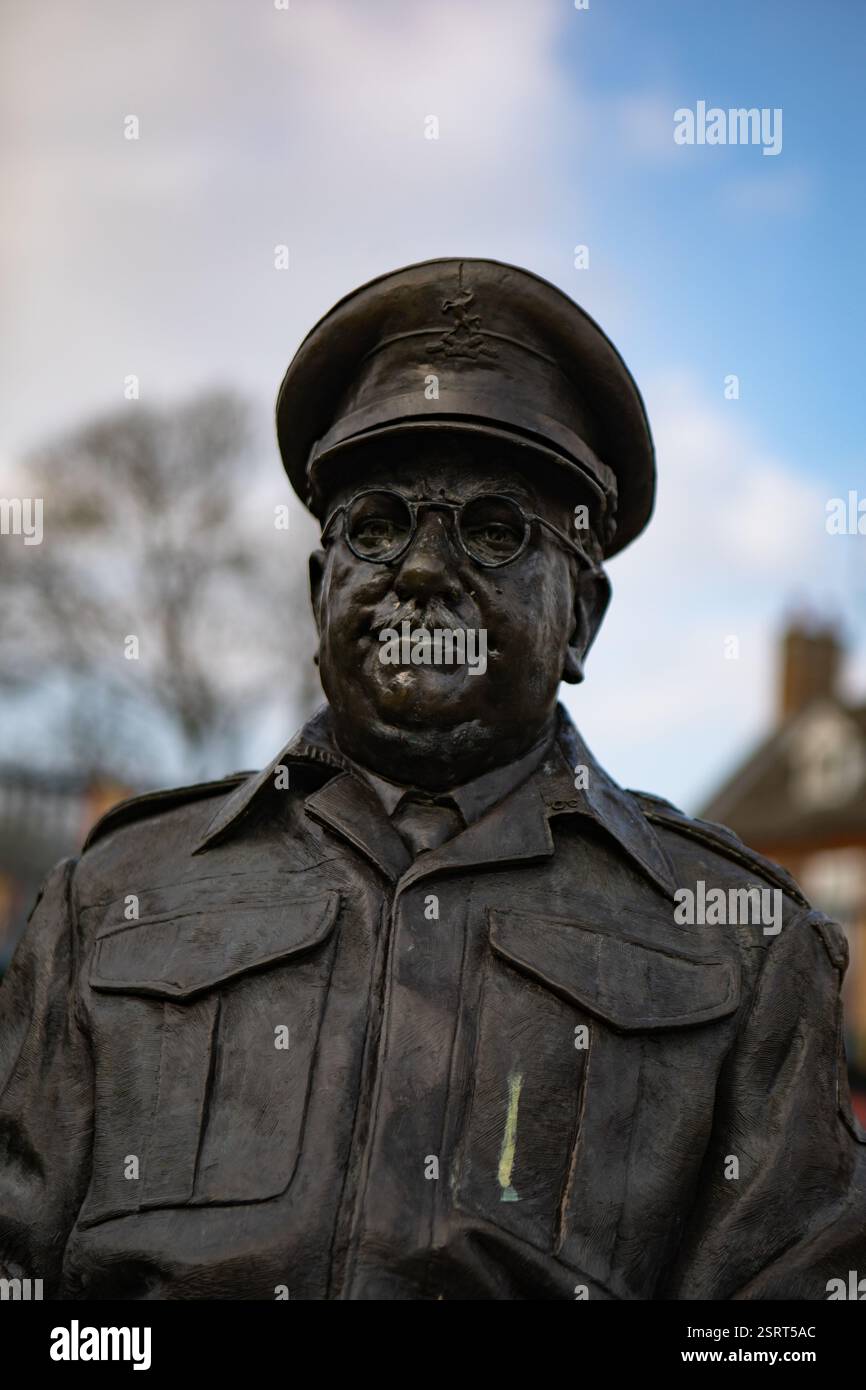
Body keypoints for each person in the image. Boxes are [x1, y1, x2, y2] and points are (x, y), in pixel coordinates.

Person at [1, 259, 863, 1300]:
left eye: (495, 529)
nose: (419, 569)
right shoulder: (107, 895)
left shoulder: (744, 944)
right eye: (374, 524)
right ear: (323, 589)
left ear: (580, 618)